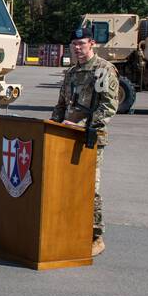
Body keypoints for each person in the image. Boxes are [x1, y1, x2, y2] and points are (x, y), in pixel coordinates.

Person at [51, 26, 120, 256]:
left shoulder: (101, 70)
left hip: (90, 139)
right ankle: (71, 230)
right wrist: (52, 127)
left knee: (90, 188)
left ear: (92, 43)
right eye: (74, 44)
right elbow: (61, 105)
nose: (77, 48)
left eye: (82, 44)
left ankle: (95, 237)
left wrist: (82, 127)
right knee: (67, 187)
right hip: (64, 139)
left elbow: (108, 106)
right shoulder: (71, 73)